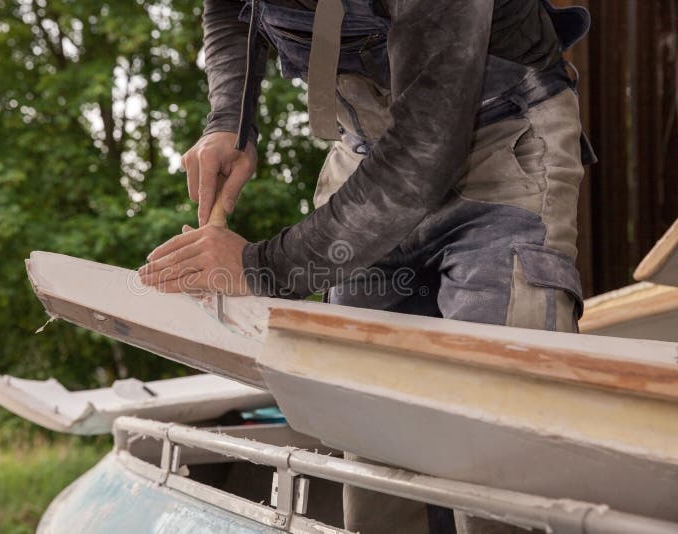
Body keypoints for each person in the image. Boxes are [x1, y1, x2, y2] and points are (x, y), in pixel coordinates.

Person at [139, 1, 595, 532]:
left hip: (503, 140)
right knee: (369, 426)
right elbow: (229, 8)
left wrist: (263, 268)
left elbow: (424, 156)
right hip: (367, 156)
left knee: (502, 424)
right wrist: (229, 120)